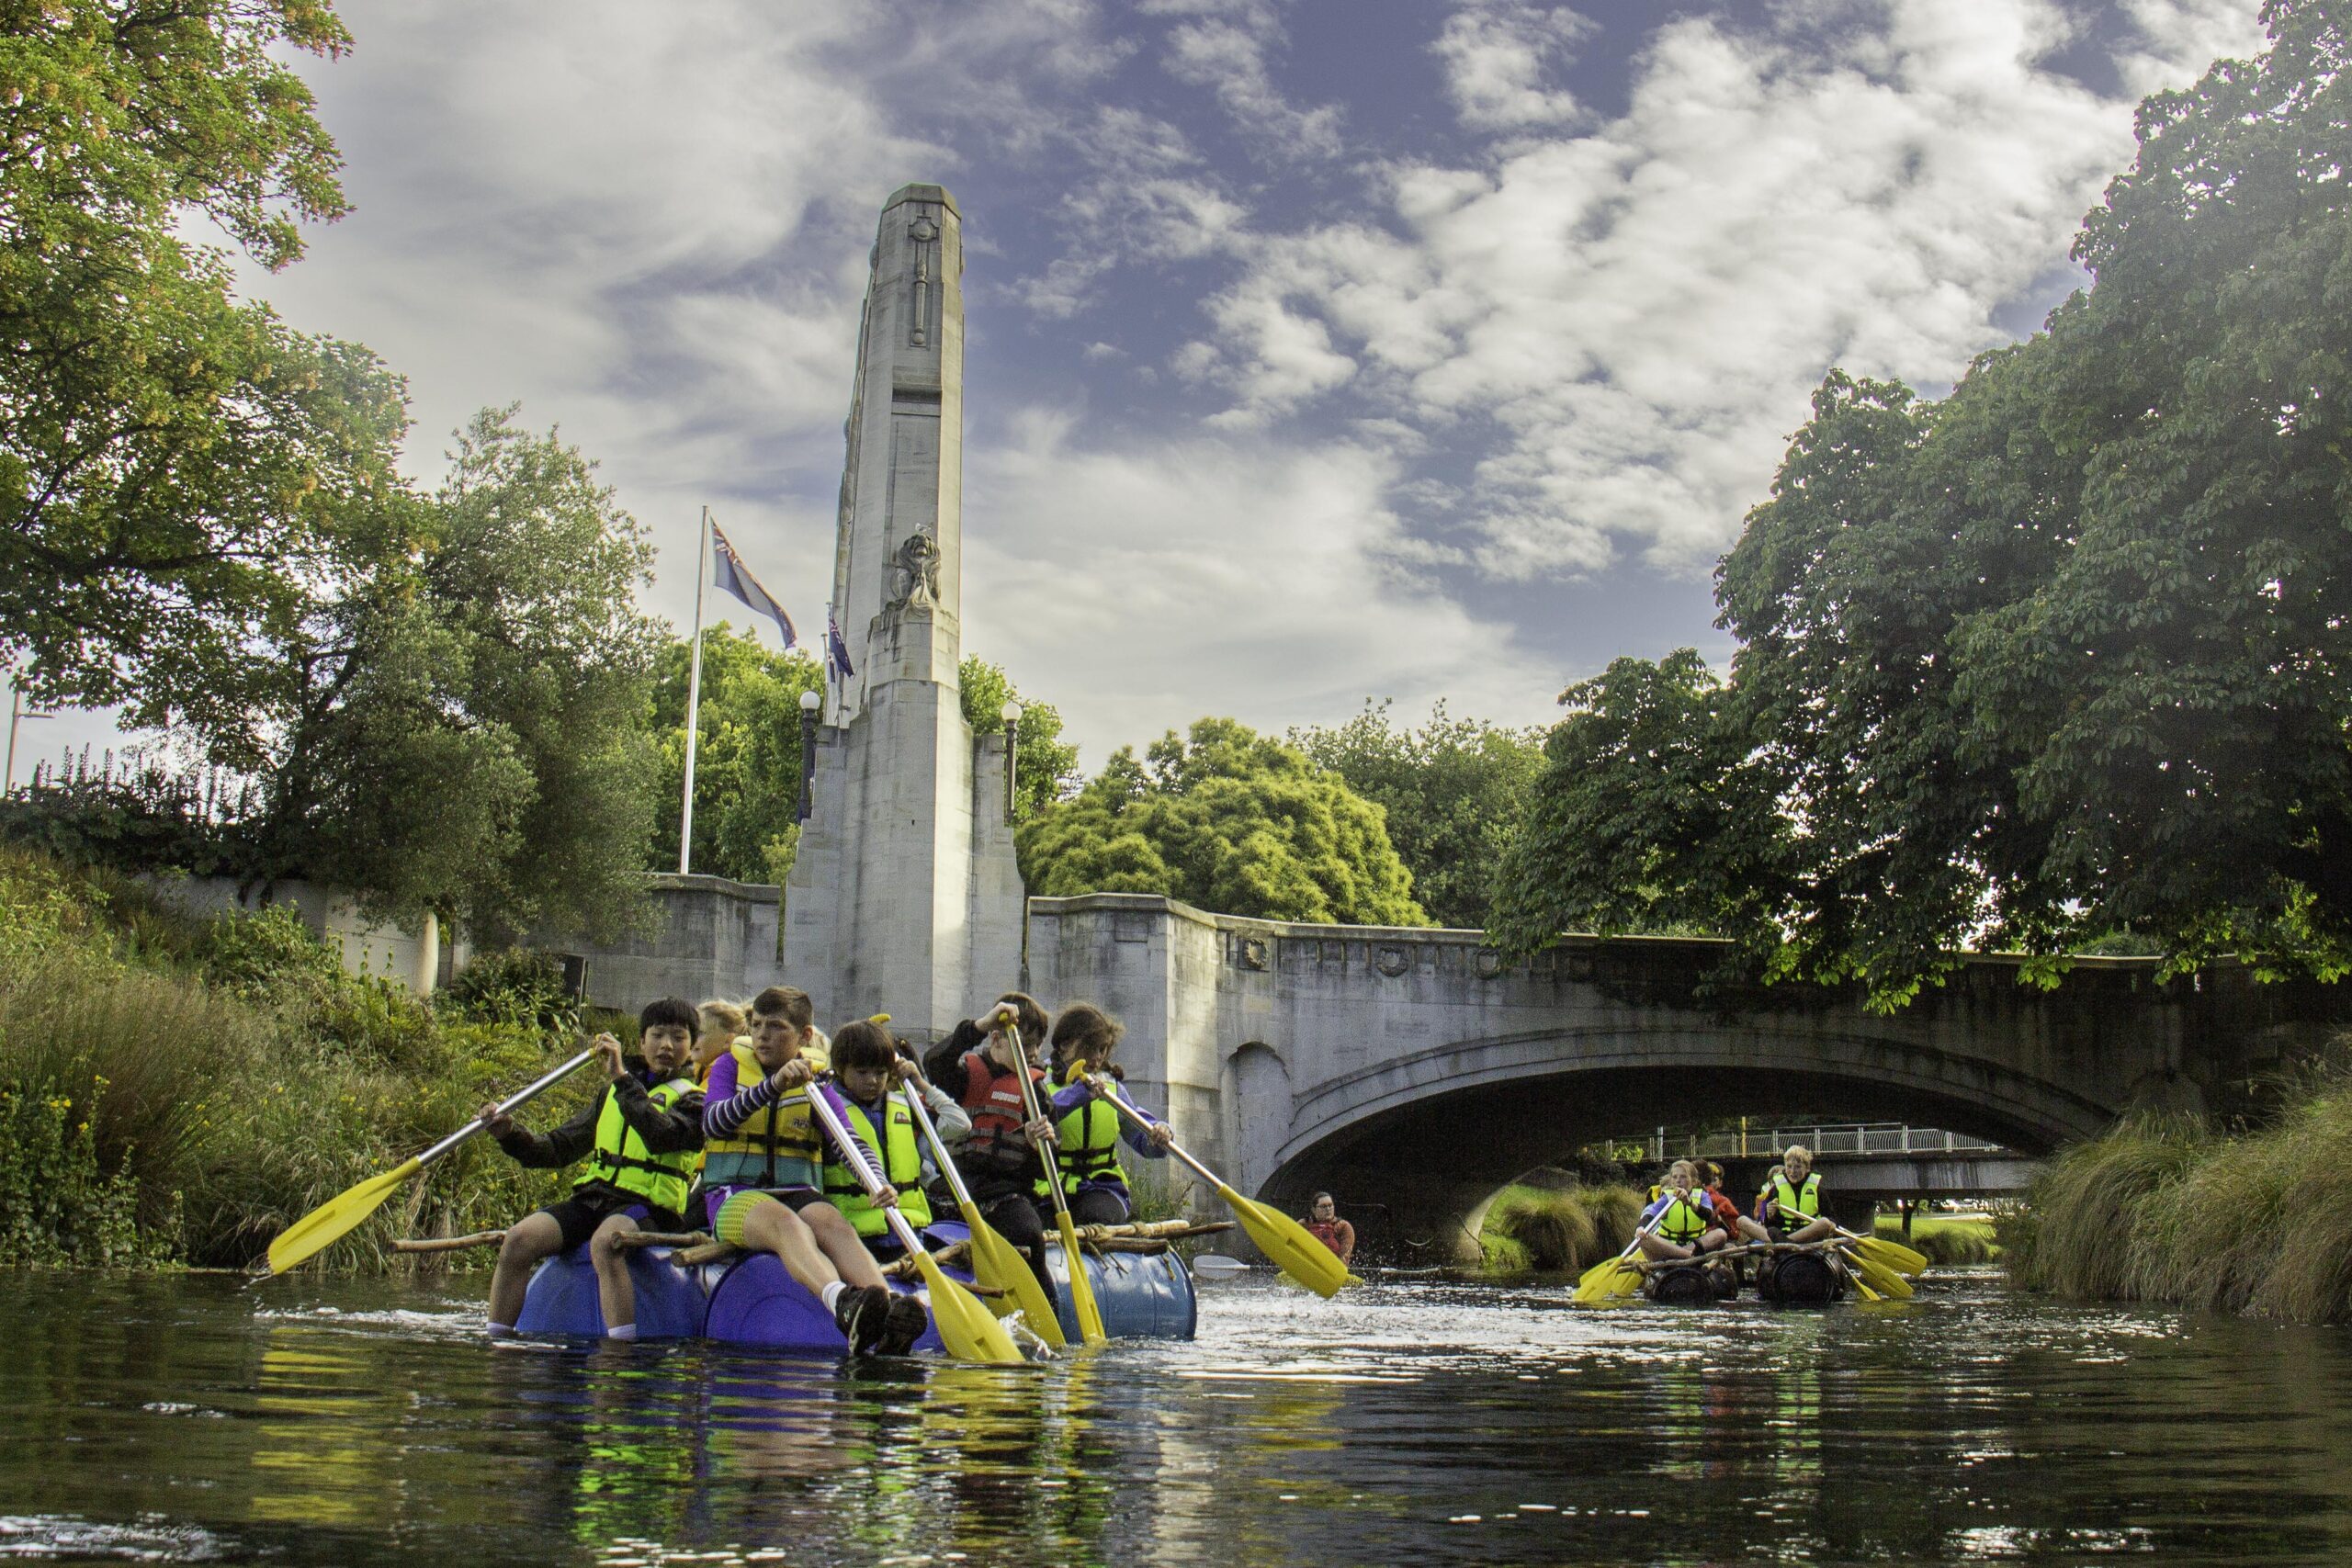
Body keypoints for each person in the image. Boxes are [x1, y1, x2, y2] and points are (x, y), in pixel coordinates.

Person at [700, 985, 924, 1355]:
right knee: (787, 1225)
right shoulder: (729, 1066)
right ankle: (842, 1303)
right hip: (733, 1193)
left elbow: (849, 1143)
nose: (761, 1036)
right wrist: (773, 1086)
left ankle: (886, 1310)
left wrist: (877, 1183)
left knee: (834, 1223)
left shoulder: (818, 1083)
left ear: (804, 1036)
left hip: (796, 1191)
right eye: (756, 1026)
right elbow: (713, 1123)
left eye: (775, 1027)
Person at [481, 998, 706, 1341]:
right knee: (517, 1240)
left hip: (651, 1208)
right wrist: (509, 1134)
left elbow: (660, 1137)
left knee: (606, 1242)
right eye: (657, 1035)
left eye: (678, 1037)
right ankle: (497, 1342)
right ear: (642, 1042)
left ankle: (619, 1349)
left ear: (692, 1046)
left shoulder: (696, 1100)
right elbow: (557, 1149)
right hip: (595, 1198)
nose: (666, 1046)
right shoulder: (612, 1095)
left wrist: (622, 1078)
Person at [922, 992, 1059, 1304]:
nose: (1035, 1053)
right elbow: (934, 1061)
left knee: (1028, 1233)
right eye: (1025, 1046)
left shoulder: (1036, 1092)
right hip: (953, 1191)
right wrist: (979, 1025)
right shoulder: (962, 1075)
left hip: (1004, 1193)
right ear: (996, 1039)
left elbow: (1048, 1170)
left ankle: (1044, 1308)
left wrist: (1038, 1145)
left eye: (1038, 1046)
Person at [1042, 1003, 1173, 1225]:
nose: (1097, 1057)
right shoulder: (1039, 1080)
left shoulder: (1112, 1088)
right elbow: (1037, 1112)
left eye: (1102, 1049)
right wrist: (1078, 1094)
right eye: (1089, 1048)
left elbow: (1141, 1138)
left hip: (1102, 1186)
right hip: (1052, 1185)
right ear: (1064, 1045)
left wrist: (1159, 1135)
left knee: (1093, 1217)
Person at [1637, 1159, 1727, 1261]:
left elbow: (1709, 1217)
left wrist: (1689, 1202)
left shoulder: (1702, 1195)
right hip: (1670, 1248)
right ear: (1671, 1181)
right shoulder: (1667, 1197)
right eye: (1674, 1177)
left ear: (1693, 1181)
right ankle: (1687, 1255)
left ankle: (1685, 1254)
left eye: (1683, 1177)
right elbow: (1650, 1214)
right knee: (1642, 1238)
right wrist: (1640, 1228)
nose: (1678, 1181)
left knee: (1721, 1233)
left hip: (1694, 1245)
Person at [1759, 1145, 1836, 1244]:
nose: (1793, 1171)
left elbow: (1831, 1218)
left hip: (1809, 1236)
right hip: (1783, 1233)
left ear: (1807, 1168)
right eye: (1789, 1166)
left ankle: (1787, 1242)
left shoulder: (1817, 1188)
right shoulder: (1776, 1188)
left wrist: (1831, 1225)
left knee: (1825, 1222)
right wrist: (1770, 1215)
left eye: (1798, 1167)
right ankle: (1787, 1241)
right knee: (1742, 1221)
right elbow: (1769, 1225)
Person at [1702, 1160, 1771, 1244]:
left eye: (1712, 1180)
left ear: (1720, 1183)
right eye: (1705, 1181)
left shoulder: (1724, 1201)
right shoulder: (1693, 1196)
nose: (1708, 1185)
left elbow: (1734, 1225)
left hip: (1723, 1237)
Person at [693, 998, 748, 1083]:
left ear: (728, 1041)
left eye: (700, 1033)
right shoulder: (692, 1069)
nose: (692, 1038)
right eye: (691, 1031)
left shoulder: (725, 1078)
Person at [1304, 1192, 1354, 1265]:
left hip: (1330, 1269)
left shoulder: (1344, 1227)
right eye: (1323, 1206)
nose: (1328, 1209)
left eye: (1330, 1205)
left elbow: (1344, 1258)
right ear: (1314, 1209)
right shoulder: (1304, 1224)